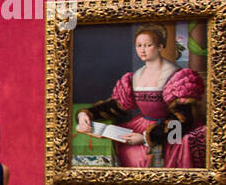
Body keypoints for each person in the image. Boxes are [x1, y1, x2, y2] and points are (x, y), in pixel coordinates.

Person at [76, 24, 206, 168]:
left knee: (142, 156)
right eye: (139, 45)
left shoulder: (175, 75)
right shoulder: (135, 76)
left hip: (167, 132)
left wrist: (145, 138)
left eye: (148, 45)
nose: (142, 50)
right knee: (129, 150)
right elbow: (116, 106)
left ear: (160, 46)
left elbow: (184, 119)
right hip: (140, 125)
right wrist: (87, 114)